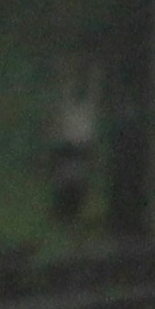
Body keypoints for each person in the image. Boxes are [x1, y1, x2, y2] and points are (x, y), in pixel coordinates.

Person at [46, 70, 103, 228]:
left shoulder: (83, 112)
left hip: (77, 148)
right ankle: (67, 214)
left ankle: (69, 215)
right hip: (72, 148)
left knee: (72, 182)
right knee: (70, 181)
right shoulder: (77, 112)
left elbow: (92, 98)